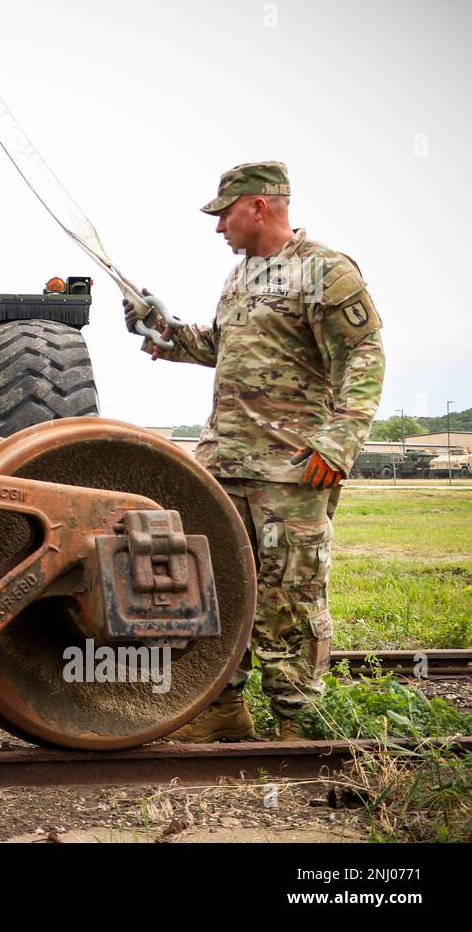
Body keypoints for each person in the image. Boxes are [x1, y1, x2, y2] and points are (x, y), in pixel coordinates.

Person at [124, 161, 385, 741]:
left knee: (289, 594)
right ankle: (222, 708)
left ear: (259, 206)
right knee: (222, 589)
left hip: (291, 470)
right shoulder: (241, 277)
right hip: (225, 464)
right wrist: (164, 331)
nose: (219, 228)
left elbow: (363, 357)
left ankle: (298, 723)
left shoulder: (324, 271)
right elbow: (224, 346)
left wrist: (339, 442)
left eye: (224, 215)